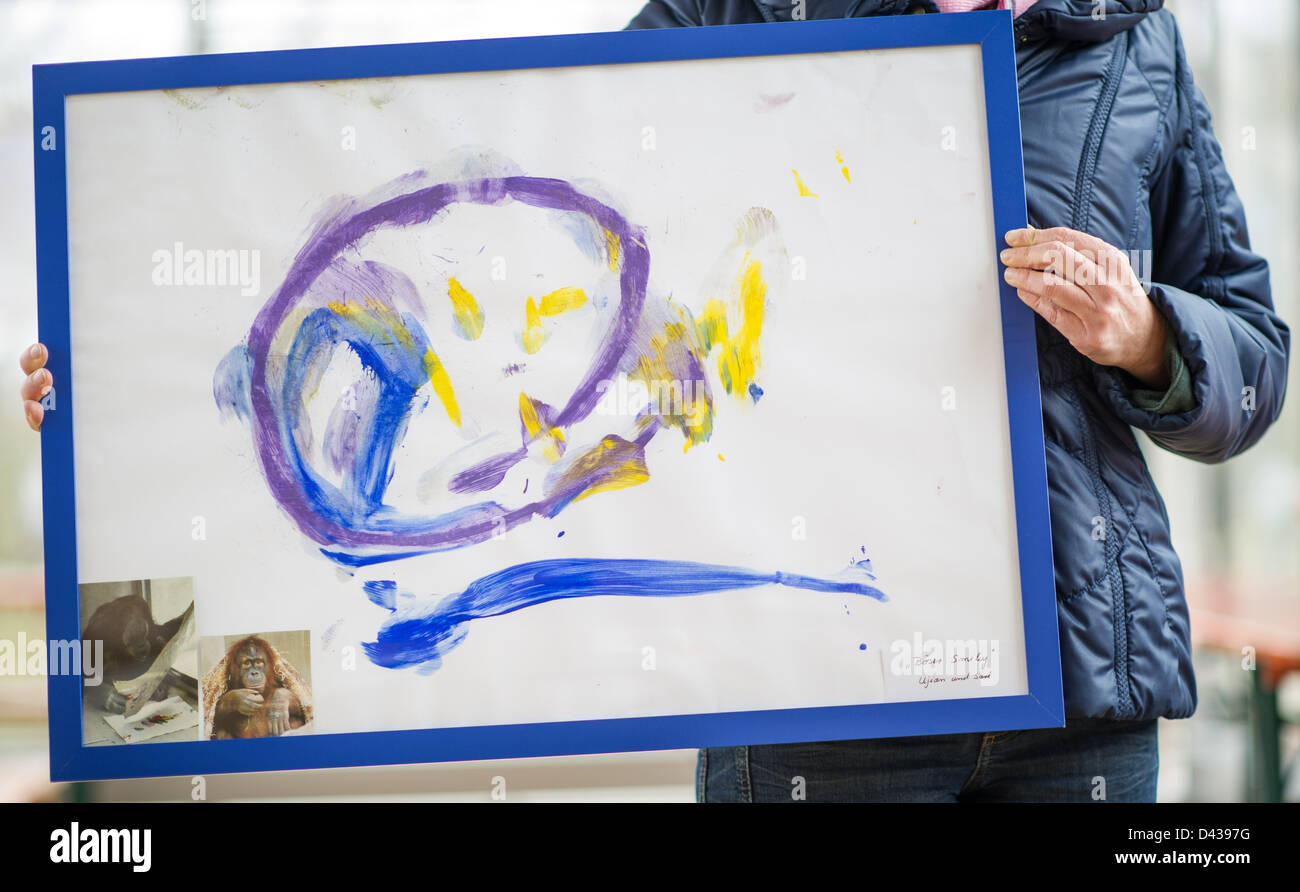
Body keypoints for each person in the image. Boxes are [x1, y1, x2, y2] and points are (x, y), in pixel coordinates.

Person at [19, 0, 1290, 801]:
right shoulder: (745, 9)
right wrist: (132, 379)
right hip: (822, 712)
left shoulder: (1133, 38)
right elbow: (510, 157)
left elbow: (1253, 349)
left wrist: (1148, 336)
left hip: (1081, 703)